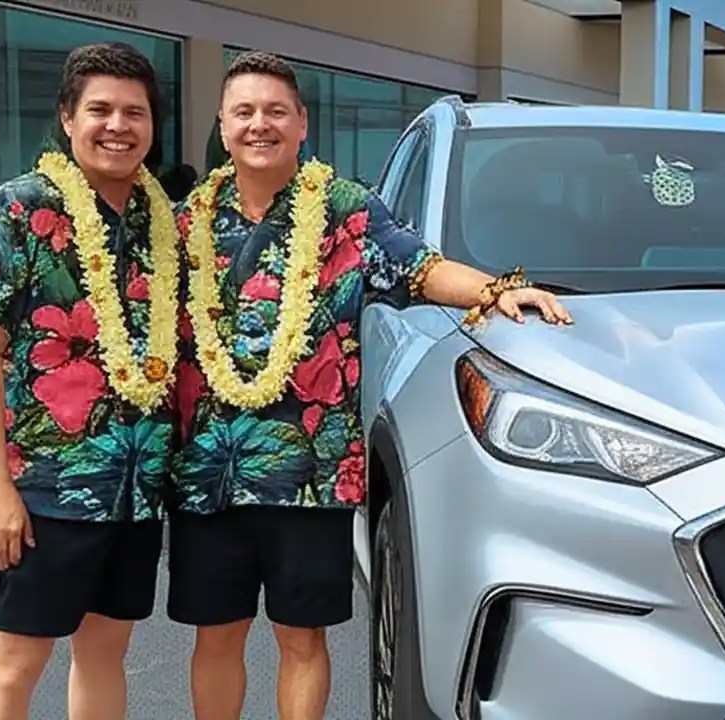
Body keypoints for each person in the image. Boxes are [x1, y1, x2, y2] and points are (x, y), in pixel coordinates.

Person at [165, 50, 572, 720]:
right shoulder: (186, 224)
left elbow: (420, 268)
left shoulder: (346, 213)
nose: (258, 124)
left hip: (312, 471)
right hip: (208, 474)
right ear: (222, 125)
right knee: (217, 634)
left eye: (275, 111)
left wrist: (499, 292)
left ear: (301, 124)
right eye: (244, 112)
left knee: (302, 637)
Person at [0, 42, 181, 720]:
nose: (118, 125)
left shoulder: (164, 224)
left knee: (105, 652)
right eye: (100, 109)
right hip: (45, 489)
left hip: (134, 490)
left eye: (135, 111)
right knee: (16, 661)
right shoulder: (20, 210)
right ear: (68, 118)